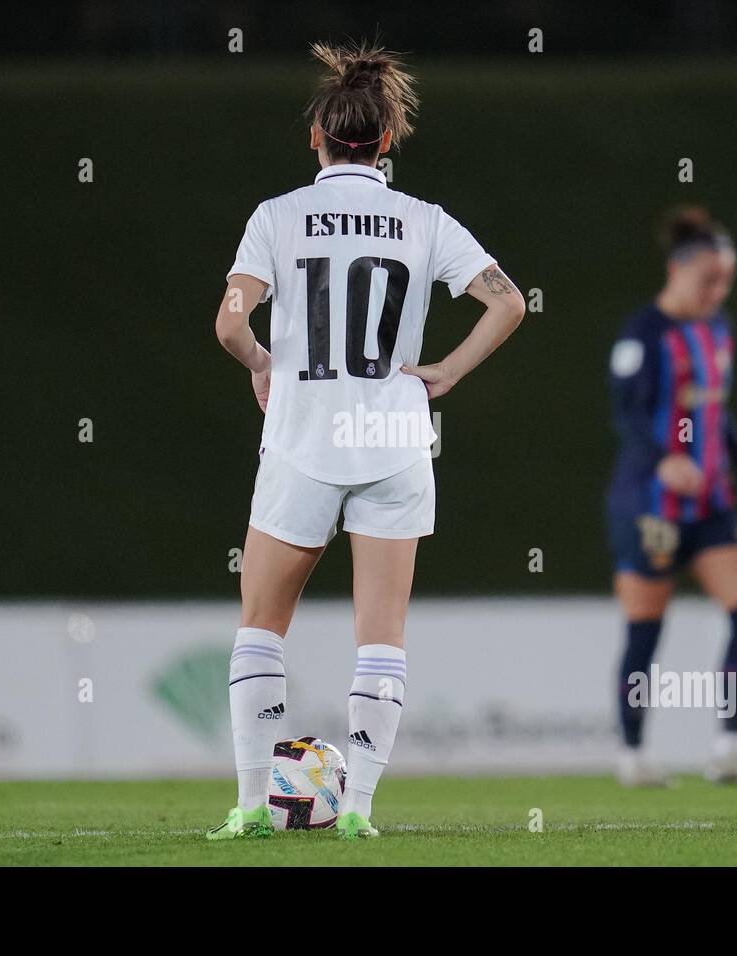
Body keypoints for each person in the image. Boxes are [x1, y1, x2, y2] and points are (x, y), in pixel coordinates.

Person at [209, 41, 525, 839]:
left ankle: (252, 804)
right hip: (391, 435)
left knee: (259, 625)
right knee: (380, 637)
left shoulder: (276, 217)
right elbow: (509, 302)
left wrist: (260, 362)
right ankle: (359, 813)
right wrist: (447, 370)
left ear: (317, 137)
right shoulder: (423, 221)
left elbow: (229, 323)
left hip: (304, 434)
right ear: (386, 142)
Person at [607, 207, 737, 788]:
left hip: (711, 504)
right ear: (677, 271)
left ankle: (731, 747)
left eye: (726, 281)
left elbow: (716, 412)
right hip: (649, 506)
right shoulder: (644, 334)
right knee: (645, 630)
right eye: (709, 279)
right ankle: (634, 755)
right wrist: (665, 459)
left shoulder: (718, 329)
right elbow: (629, 416)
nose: (719, 290)